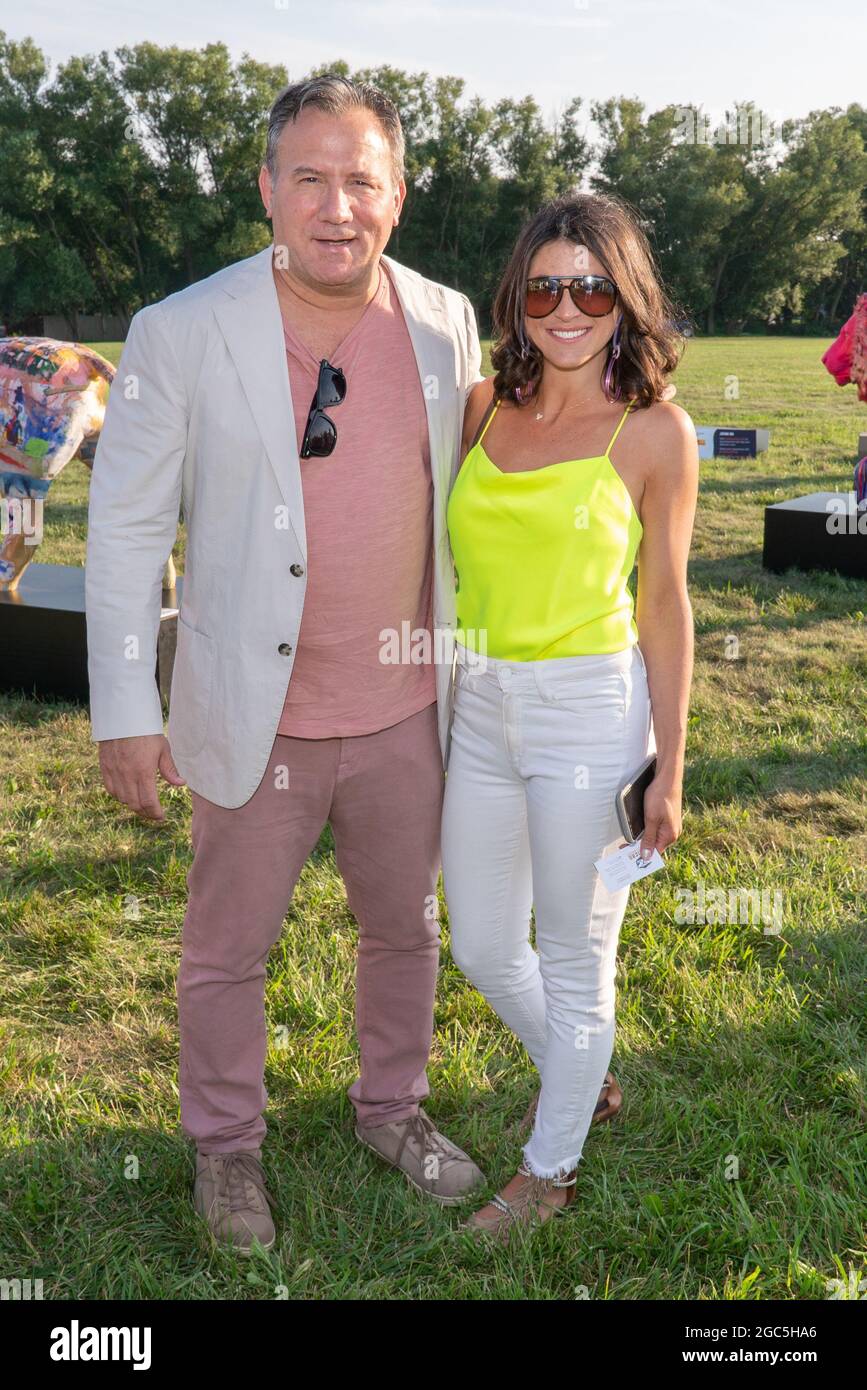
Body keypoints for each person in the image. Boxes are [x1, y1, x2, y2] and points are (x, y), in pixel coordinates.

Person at [86, 74, 496, 1254]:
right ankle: (225, 1152)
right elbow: (121, 532)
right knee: (228, 949)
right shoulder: (180, 328)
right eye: (307, 177)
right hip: (249, 713)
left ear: (398, 195)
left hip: (408, 701)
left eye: (359, 179)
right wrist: (125, 705)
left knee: (403, 928)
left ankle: (393, 1108)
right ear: (266, 189)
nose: (334, 205)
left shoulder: (444, 319)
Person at [441, 192, 699, 1239]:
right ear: (517, 295)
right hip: (482, 701)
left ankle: (547, 1175)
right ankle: (577, 1075)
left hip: (591, 712)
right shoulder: (480, 407)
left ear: (625, 299)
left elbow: (667, 605)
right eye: (544, 285)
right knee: (484, 948)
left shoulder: (655, 432)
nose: (565, 307)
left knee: (575, 961)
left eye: (590, 287)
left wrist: (670, 768)